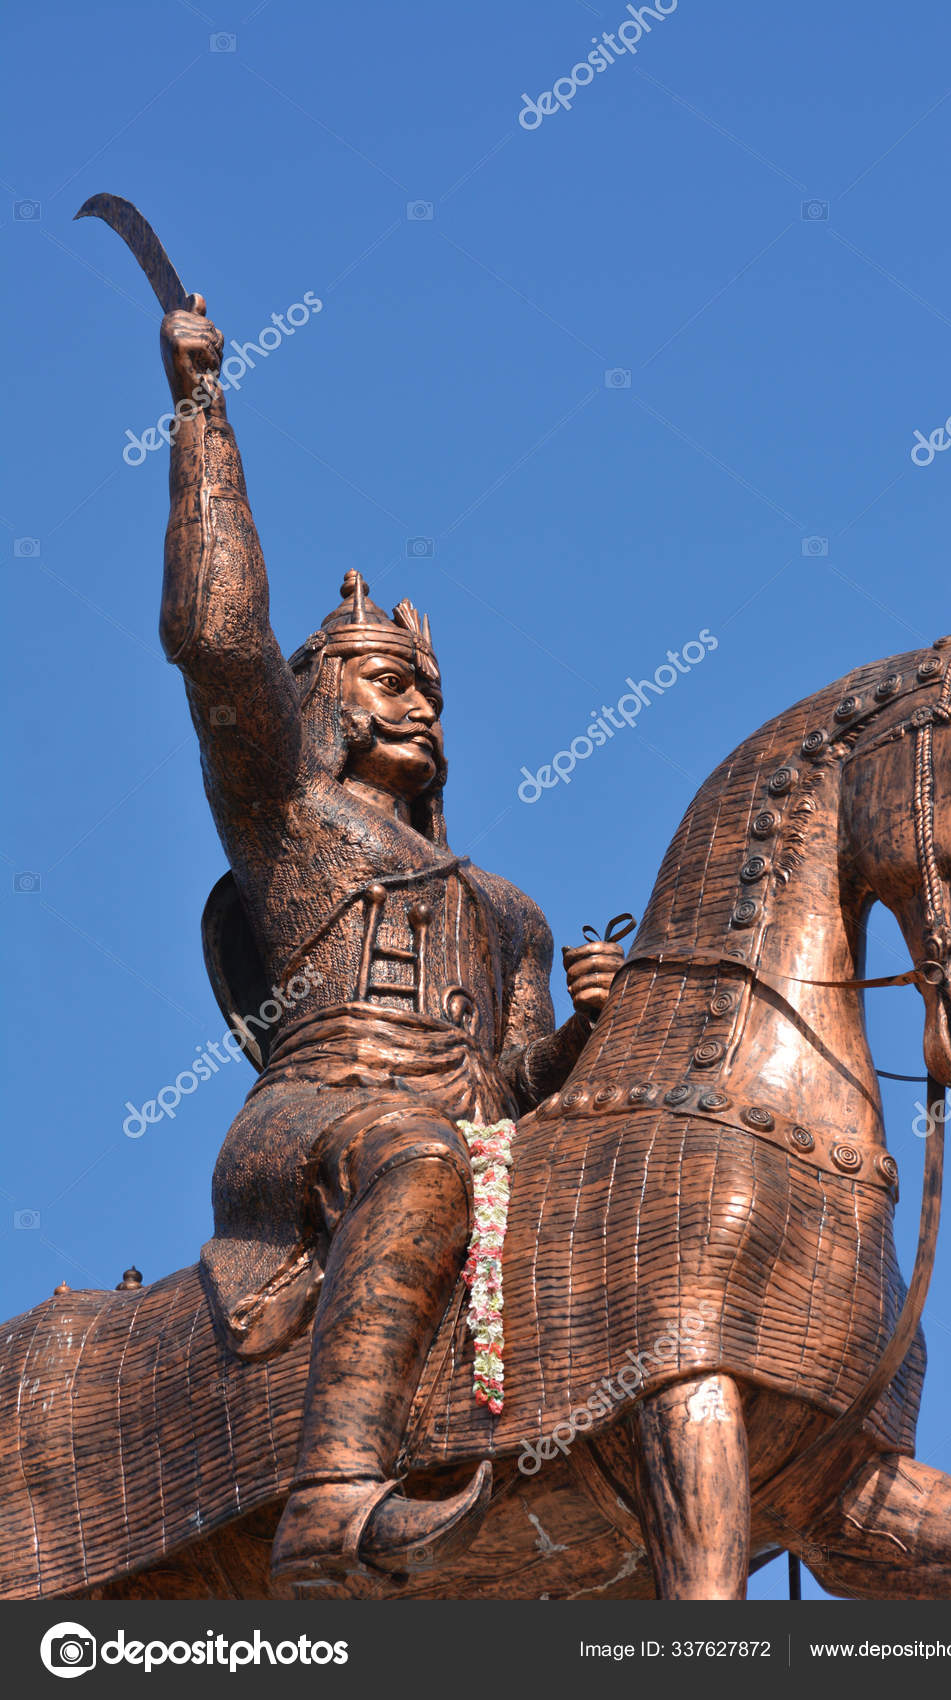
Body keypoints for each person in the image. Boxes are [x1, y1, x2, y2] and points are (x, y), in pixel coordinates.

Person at [158, 298, 623, 1583]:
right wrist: (203, 414)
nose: (419, 701)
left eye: (428, 686)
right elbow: (214, 644)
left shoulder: (506, 906)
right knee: (421, 1160)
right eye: (388, 679)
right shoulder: (289, 822)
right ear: (322, 701)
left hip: (471, 1134)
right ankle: (331, 1497)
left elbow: (521, 1081)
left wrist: (583, 1026)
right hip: (318, 1121)